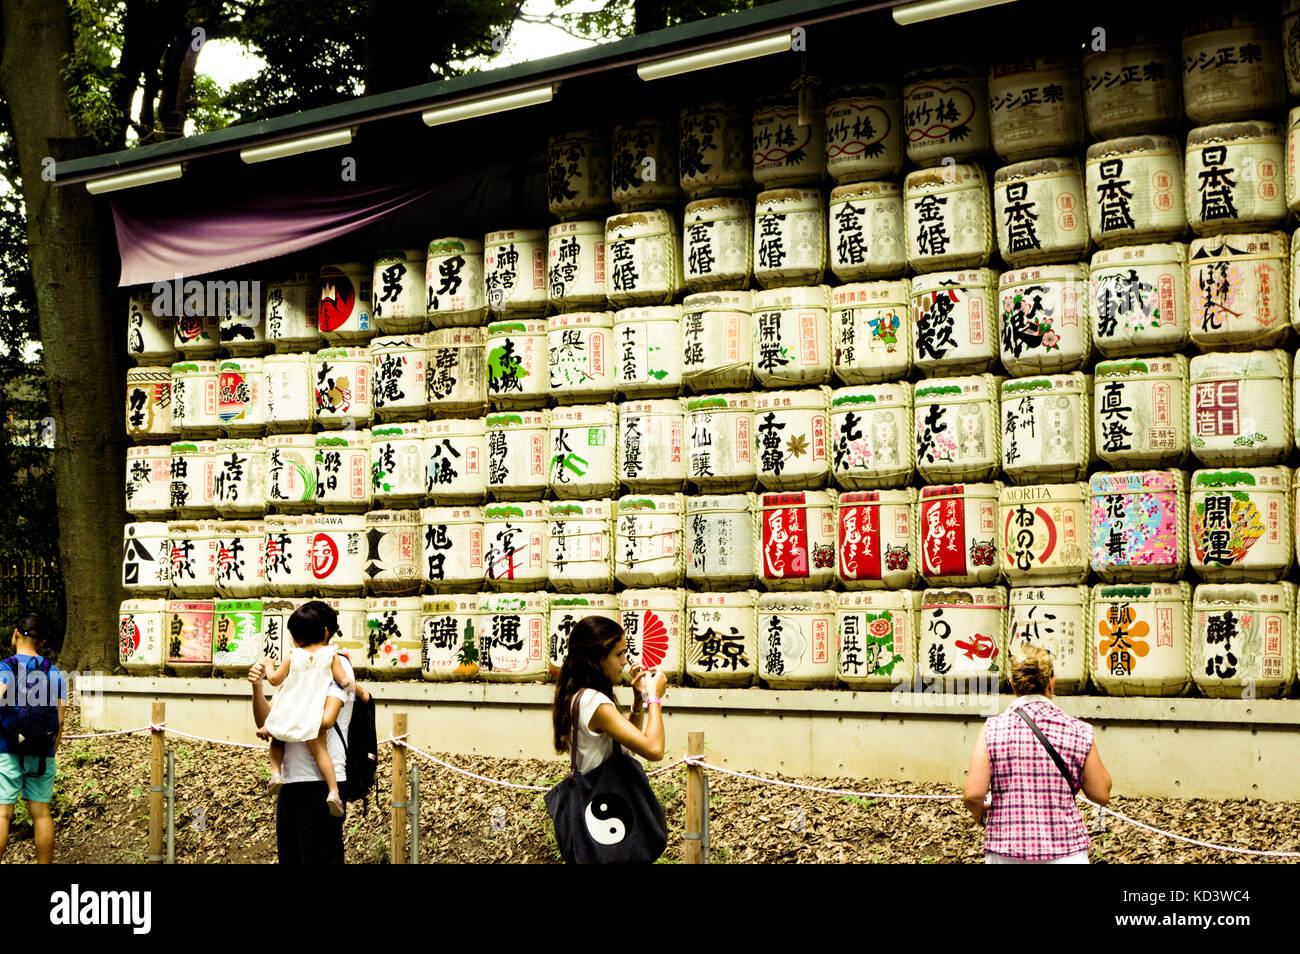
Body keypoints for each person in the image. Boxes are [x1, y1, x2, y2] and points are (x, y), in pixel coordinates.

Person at [963, 645, 1112, 864]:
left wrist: (979, 814)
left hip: (1006, 851)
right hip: (1066, 852)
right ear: (1052, 681)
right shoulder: (1077, 730)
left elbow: (973, 794)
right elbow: (1101, 793)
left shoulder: (993, 729)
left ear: (1013, 685)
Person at [249, 601, 368, 864]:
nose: (294, 640)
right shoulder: (298, 668)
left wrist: (285, 721)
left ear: (324, 632)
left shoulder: (337, 665)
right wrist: (258, 686)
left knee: (320, 858)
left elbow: (325, 720)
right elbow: (268, 721)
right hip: (291, 783)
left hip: (321, 785)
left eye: (298, 633)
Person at [259, 609, 354, 816]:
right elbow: (342, 679)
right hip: (314, 712)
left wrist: (268, 666)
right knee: (320, 751)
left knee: (277, 738)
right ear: (324, 632)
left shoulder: (292, 655)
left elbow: (275, 680)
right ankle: (333, 792)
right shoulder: (330, 655)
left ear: (293, 636)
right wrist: (353, 688)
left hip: (290, 710)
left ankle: (275, 774)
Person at [552, 616, 668, 772]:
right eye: (619, 654)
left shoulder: (579, 696)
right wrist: (654, 697)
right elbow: (654, 750)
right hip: (606, 795)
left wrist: (639, 702)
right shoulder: (595, 703)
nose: (625, 661)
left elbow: (628, 748)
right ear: (597, 658)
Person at [0, 613, 67, 864]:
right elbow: (60, 720)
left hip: (7, 749)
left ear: (16, 633)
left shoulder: (6, 667)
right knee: (41, 815)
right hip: (42, 751)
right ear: (42, 642)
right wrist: (52, 750)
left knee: (3, 814)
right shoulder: (56, 673)